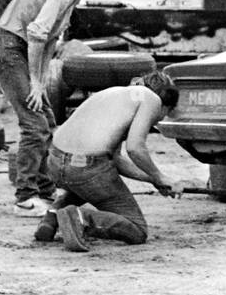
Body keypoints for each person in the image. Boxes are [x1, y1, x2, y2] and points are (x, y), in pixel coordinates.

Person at [0, 0, 124, 217]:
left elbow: (50, 39)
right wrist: (37, 83)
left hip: (17, 47)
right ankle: (25, 198)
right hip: (9, 46)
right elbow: (37, 33)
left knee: (48, 121)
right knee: (34, 125)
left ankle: (44, 188)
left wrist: (42, 74)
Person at [35, 71, 180, 252]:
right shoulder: (152, 99)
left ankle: (51, 218)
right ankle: (81, 218)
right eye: (166, 113)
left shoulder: (115, 94)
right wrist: (161, 176)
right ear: (165, 104)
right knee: (137, 230)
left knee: (86, 185)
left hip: (56, 162)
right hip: (86, 169)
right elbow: (135, 148)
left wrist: (154, 180)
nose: (160, 118)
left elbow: (115, 160)